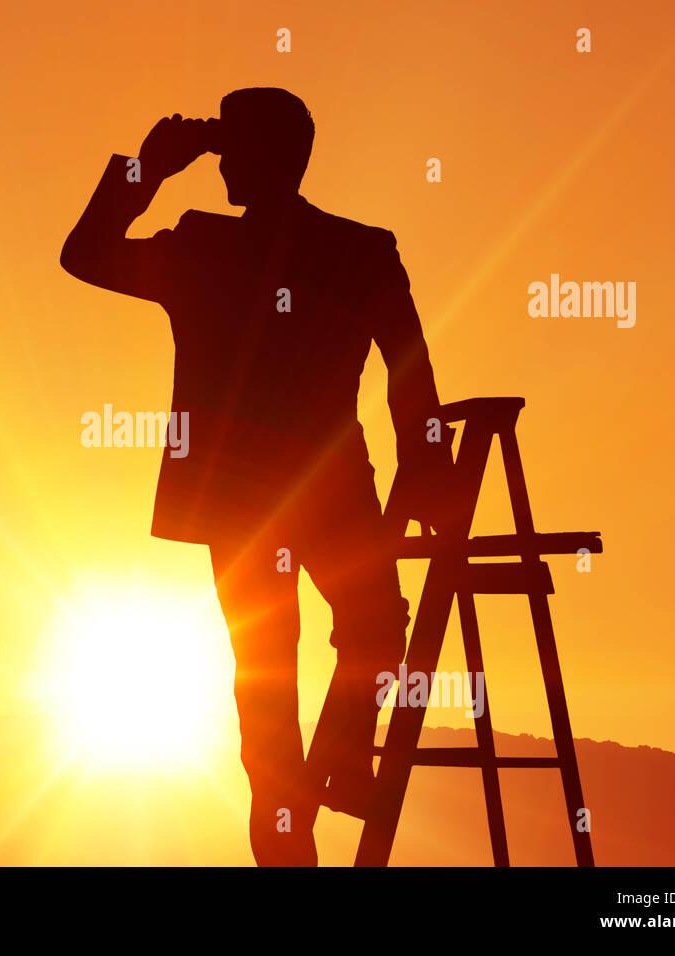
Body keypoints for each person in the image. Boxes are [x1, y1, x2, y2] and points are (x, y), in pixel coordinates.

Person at [60, 88, 451, 866]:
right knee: (359, 634)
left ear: (269, 156)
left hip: (246, 494)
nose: (223, 162)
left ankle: (304, 794)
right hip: (312, 485)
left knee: (276, 670)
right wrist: (422, 469)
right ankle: (329, 772)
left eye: (234, 148)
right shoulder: (353, 249)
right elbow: (411, 374)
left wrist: (151, 167)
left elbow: (87, 252)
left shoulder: (205, 249)